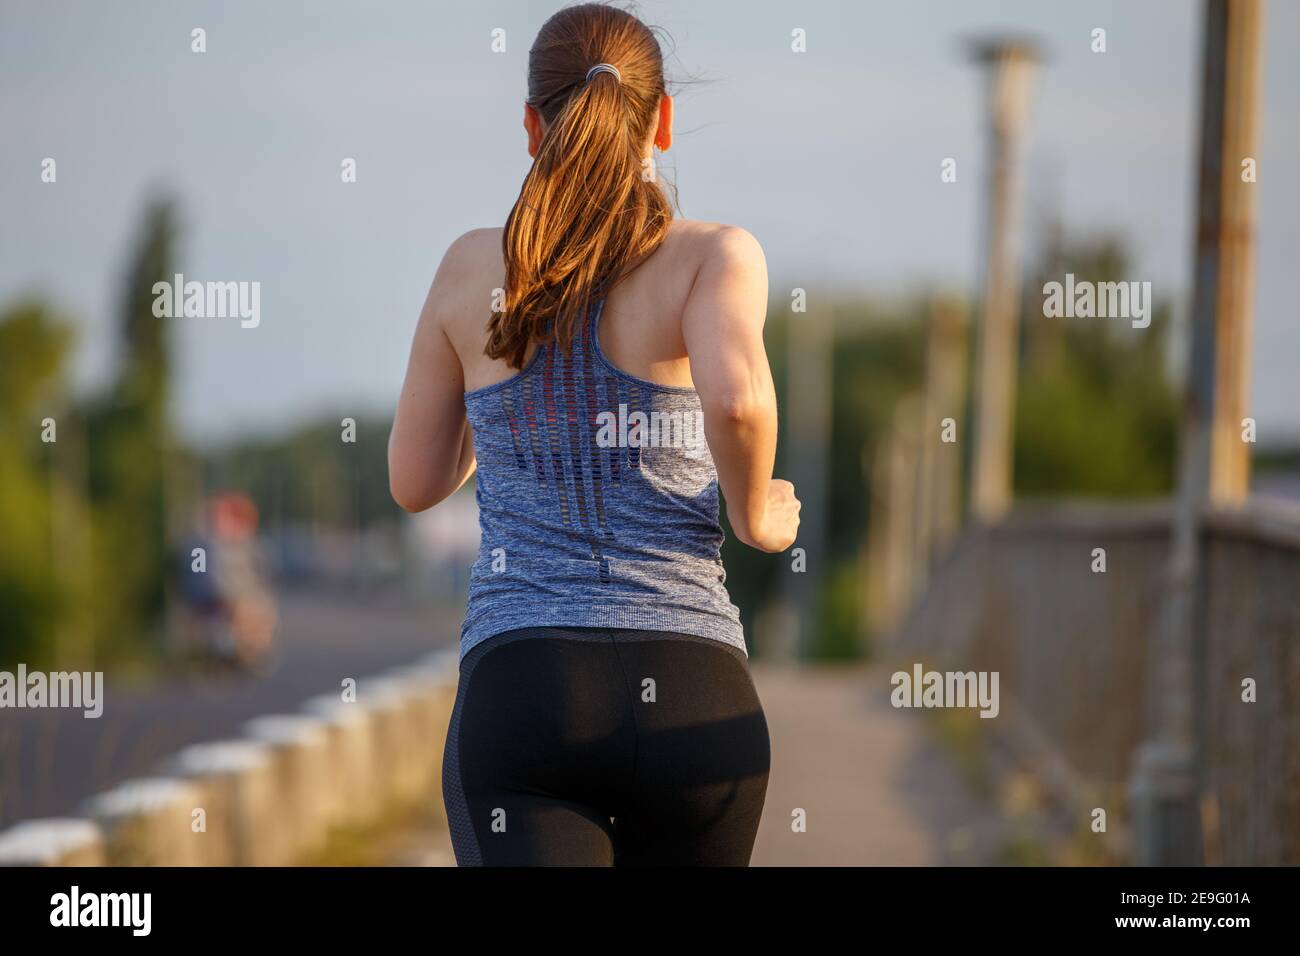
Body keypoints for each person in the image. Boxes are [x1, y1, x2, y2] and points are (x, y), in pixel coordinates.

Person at [388, 3, 799, 866]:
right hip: (694, 689)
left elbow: (416, 480)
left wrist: (505, 409)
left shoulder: (470, 267)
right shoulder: (715, 256)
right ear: (662, 120)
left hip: (526, 688)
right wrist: (758, 512)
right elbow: (737, 402)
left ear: (532, 128)